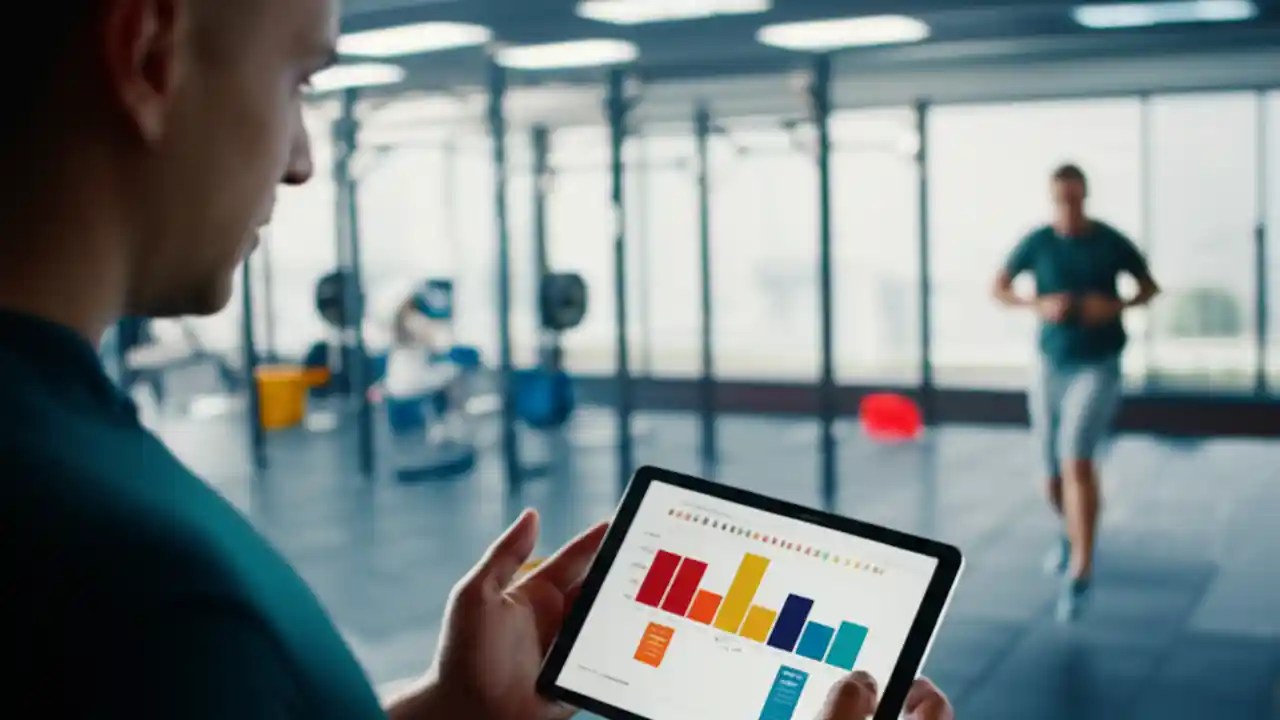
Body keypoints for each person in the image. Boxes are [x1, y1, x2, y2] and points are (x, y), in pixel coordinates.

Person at [0, 1, 954, 718]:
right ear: (149, 54)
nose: (301, 160)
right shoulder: (133, 589)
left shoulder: (75, 502)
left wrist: (453, 712)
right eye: (298, 81)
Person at [993, 164, 1160, 621]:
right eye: (1060, 199)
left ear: (1084, 196)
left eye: (1075, 198)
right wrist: (1039, 304)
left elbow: (1149, 287)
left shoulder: (1110, 241)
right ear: (1053, 199)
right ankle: (1071, 533)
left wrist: (1116, 305)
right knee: (1051, 476)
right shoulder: (1038, 242)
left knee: (1076, 459)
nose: (1068, 206)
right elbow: (999, 288)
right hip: (1051, 363)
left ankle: (1081, 572)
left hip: (1099, 364)